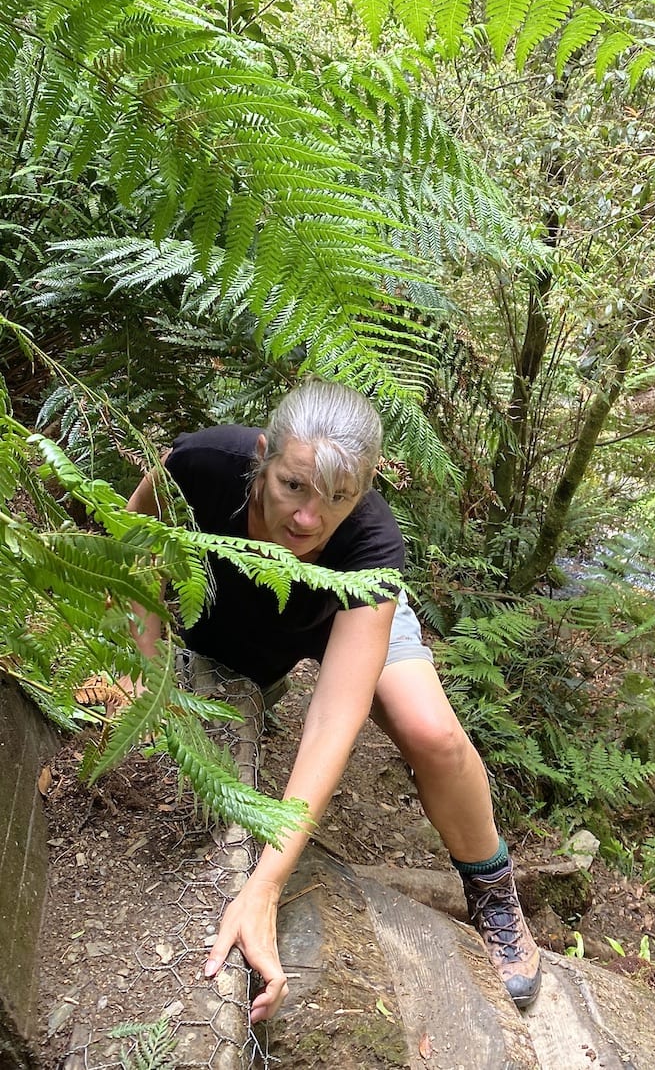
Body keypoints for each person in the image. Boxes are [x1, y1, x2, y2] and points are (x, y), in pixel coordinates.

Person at [125, 378, 541, 1023]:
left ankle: (492, 889)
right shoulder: (203, 463)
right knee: (229, 688)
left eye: (338, 497)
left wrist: (265, 885)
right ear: (263, 455)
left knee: (430, 732)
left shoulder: (372, 544)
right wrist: (140, 681)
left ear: (366, 487)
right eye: (294, 485)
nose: (308, 519)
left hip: (342, 615)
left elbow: (333, 719)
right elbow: (130, 550)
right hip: (228, 608)